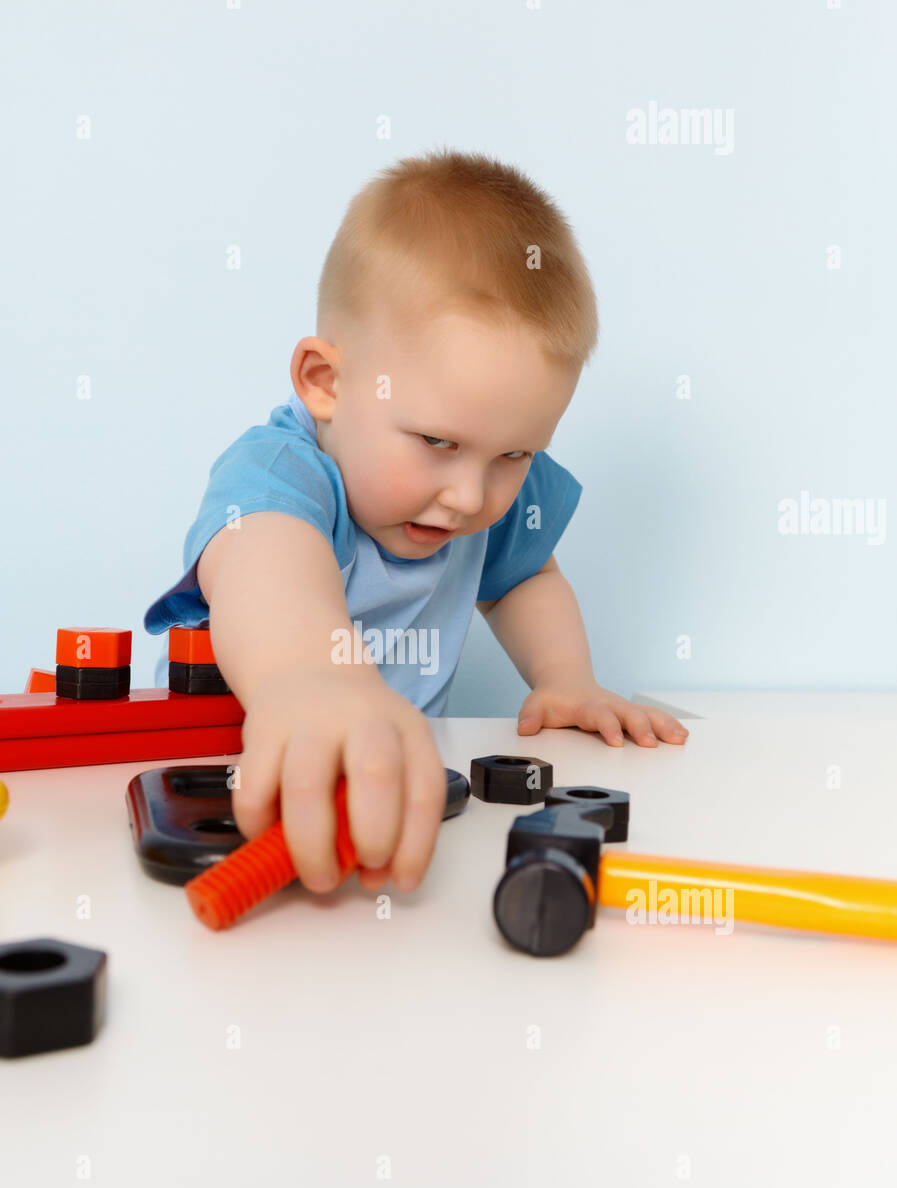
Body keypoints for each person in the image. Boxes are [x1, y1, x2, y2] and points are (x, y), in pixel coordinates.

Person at [144, 148, 688, 900]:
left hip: (388, 795)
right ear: (324, 383)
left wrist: (565, 679)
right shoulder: (280, 473)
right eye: (437, 443)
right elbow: (261, 560)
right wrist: (310, 678)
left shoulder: (476, 489)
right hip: (234, 787)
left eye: (515, 453)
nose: (470, 496)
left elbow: (524, 574)